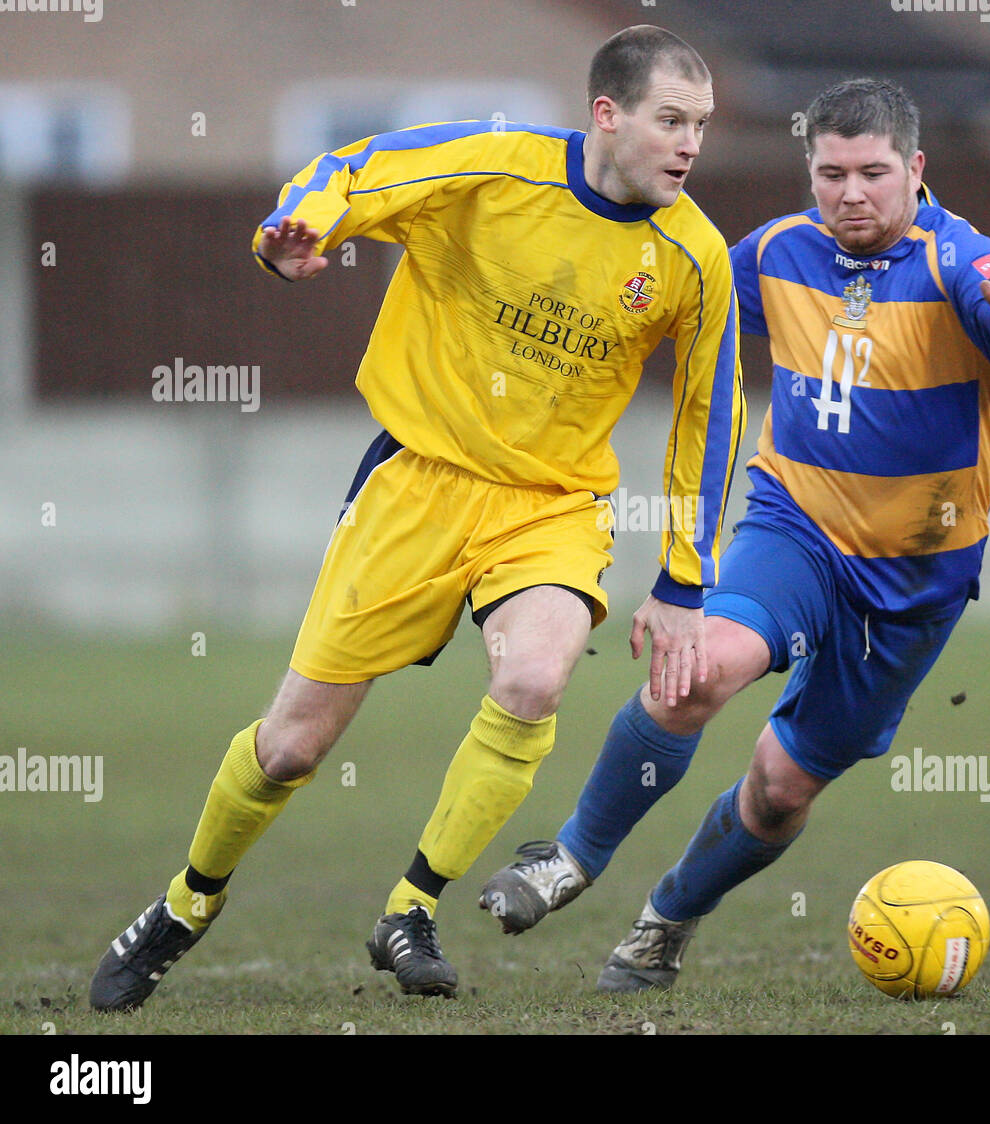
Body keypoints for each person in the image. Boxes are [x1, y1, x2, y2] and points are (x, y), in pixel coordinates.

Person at [88, 24, 744, 1011]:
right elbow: (351, 171)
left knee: (534, 673)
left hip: (551, 502)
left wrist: (685, 580)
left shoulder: (693, 255)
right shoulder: (491, 166)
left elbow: (709, 411)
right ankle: (185, 904)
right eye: (669, 121)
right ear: (607, 114)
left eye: (699, 124)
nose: (688, 144)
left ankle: (411, 906)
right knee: (289, 748)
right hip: (417, 480)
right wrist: (295, 233)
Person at [480, 76, 990, 991]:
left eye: (873, 174)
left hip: (915, 583)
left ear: (914, 169)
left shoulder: (959, 262)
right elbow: (671, 300)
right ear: (811, 169)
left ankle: (665, 923)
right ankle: (568, 859)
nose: (850, 194)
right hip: (794, 528)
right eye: (831, 173)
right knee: (697, 667)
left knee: (778, 790)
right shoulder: (776, 253)